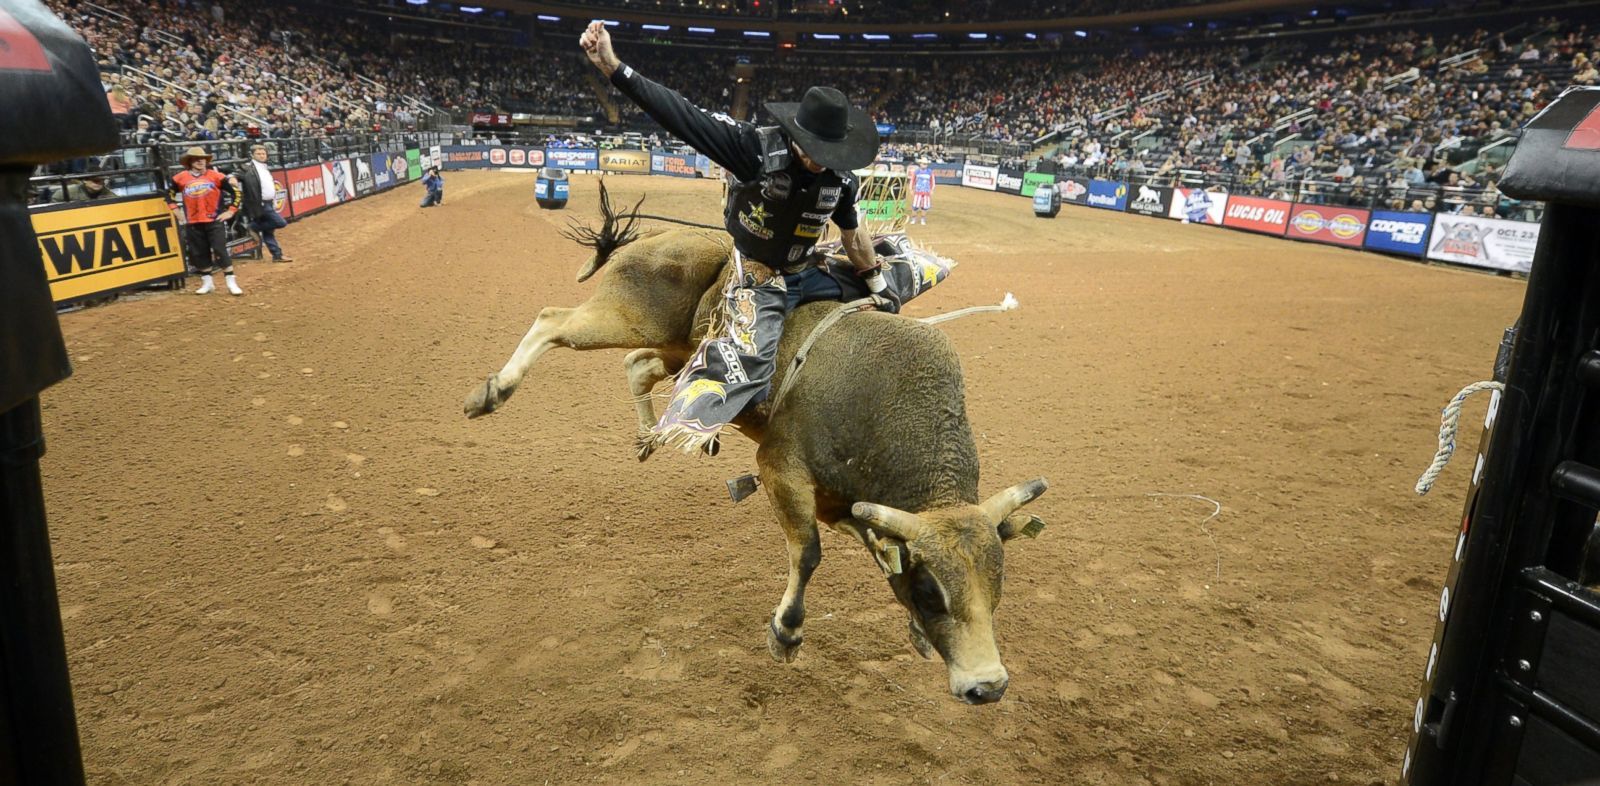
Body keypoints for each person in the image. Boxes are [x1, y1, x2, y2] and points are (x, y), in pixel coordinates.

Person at [579, 20, 889, 454]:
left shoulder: (840, 179)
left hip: (806, 269)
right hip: (758, 276)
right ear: (797, 137)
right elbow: (681, 115)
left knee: (890, 284)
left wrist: (877, 283)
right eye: (815, 152)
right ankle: (697, 404)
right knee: (754, 364)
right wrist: (614, 68)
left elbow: (854, 237)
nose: (821, 162)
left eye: (829, 154)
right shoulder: (751, 149)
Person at [167, 147, 243, 296]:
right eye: (196, 159)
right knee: (198, 252)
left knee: (219, 248)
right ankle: (207, 282)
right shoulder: (179, 178)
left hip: (214, 219)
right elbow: (168, 194)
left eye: (203, 159)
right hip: (193, 222)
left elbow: (236, 192)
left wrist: (231, 211)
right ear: (190, 162)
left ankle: (231, 281)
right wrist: (175, 209)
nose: (201, 161)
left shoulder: (217, 176)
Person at [233, 144, 293, 262]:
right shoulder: (247, 168)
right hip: (259, 204)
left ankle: (277, 255)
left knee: (268, 232)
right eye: (258, 154)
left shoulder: (264, 168)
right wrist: (232, 178)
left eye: (263, 153)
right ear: (252, 155)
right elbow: (235, 174)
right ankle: (253, 228)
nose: (261, 156)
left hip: (268, 202)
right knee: (281, 222)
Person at [909, 158, 934, 225]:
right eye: (923, 164)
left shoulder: (930, 172)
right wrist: (911, 189)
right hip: (917, 191)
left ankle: (923, 219)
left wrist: (932, 190)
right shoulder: (916, 171)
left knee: (924, 207)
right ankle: (913, 219)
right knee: (915, 206)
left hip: (926, 192)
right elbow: (912, 180)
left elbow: (932, 181)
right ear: (920, 164)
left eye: (925, 164)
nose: (924, 165)